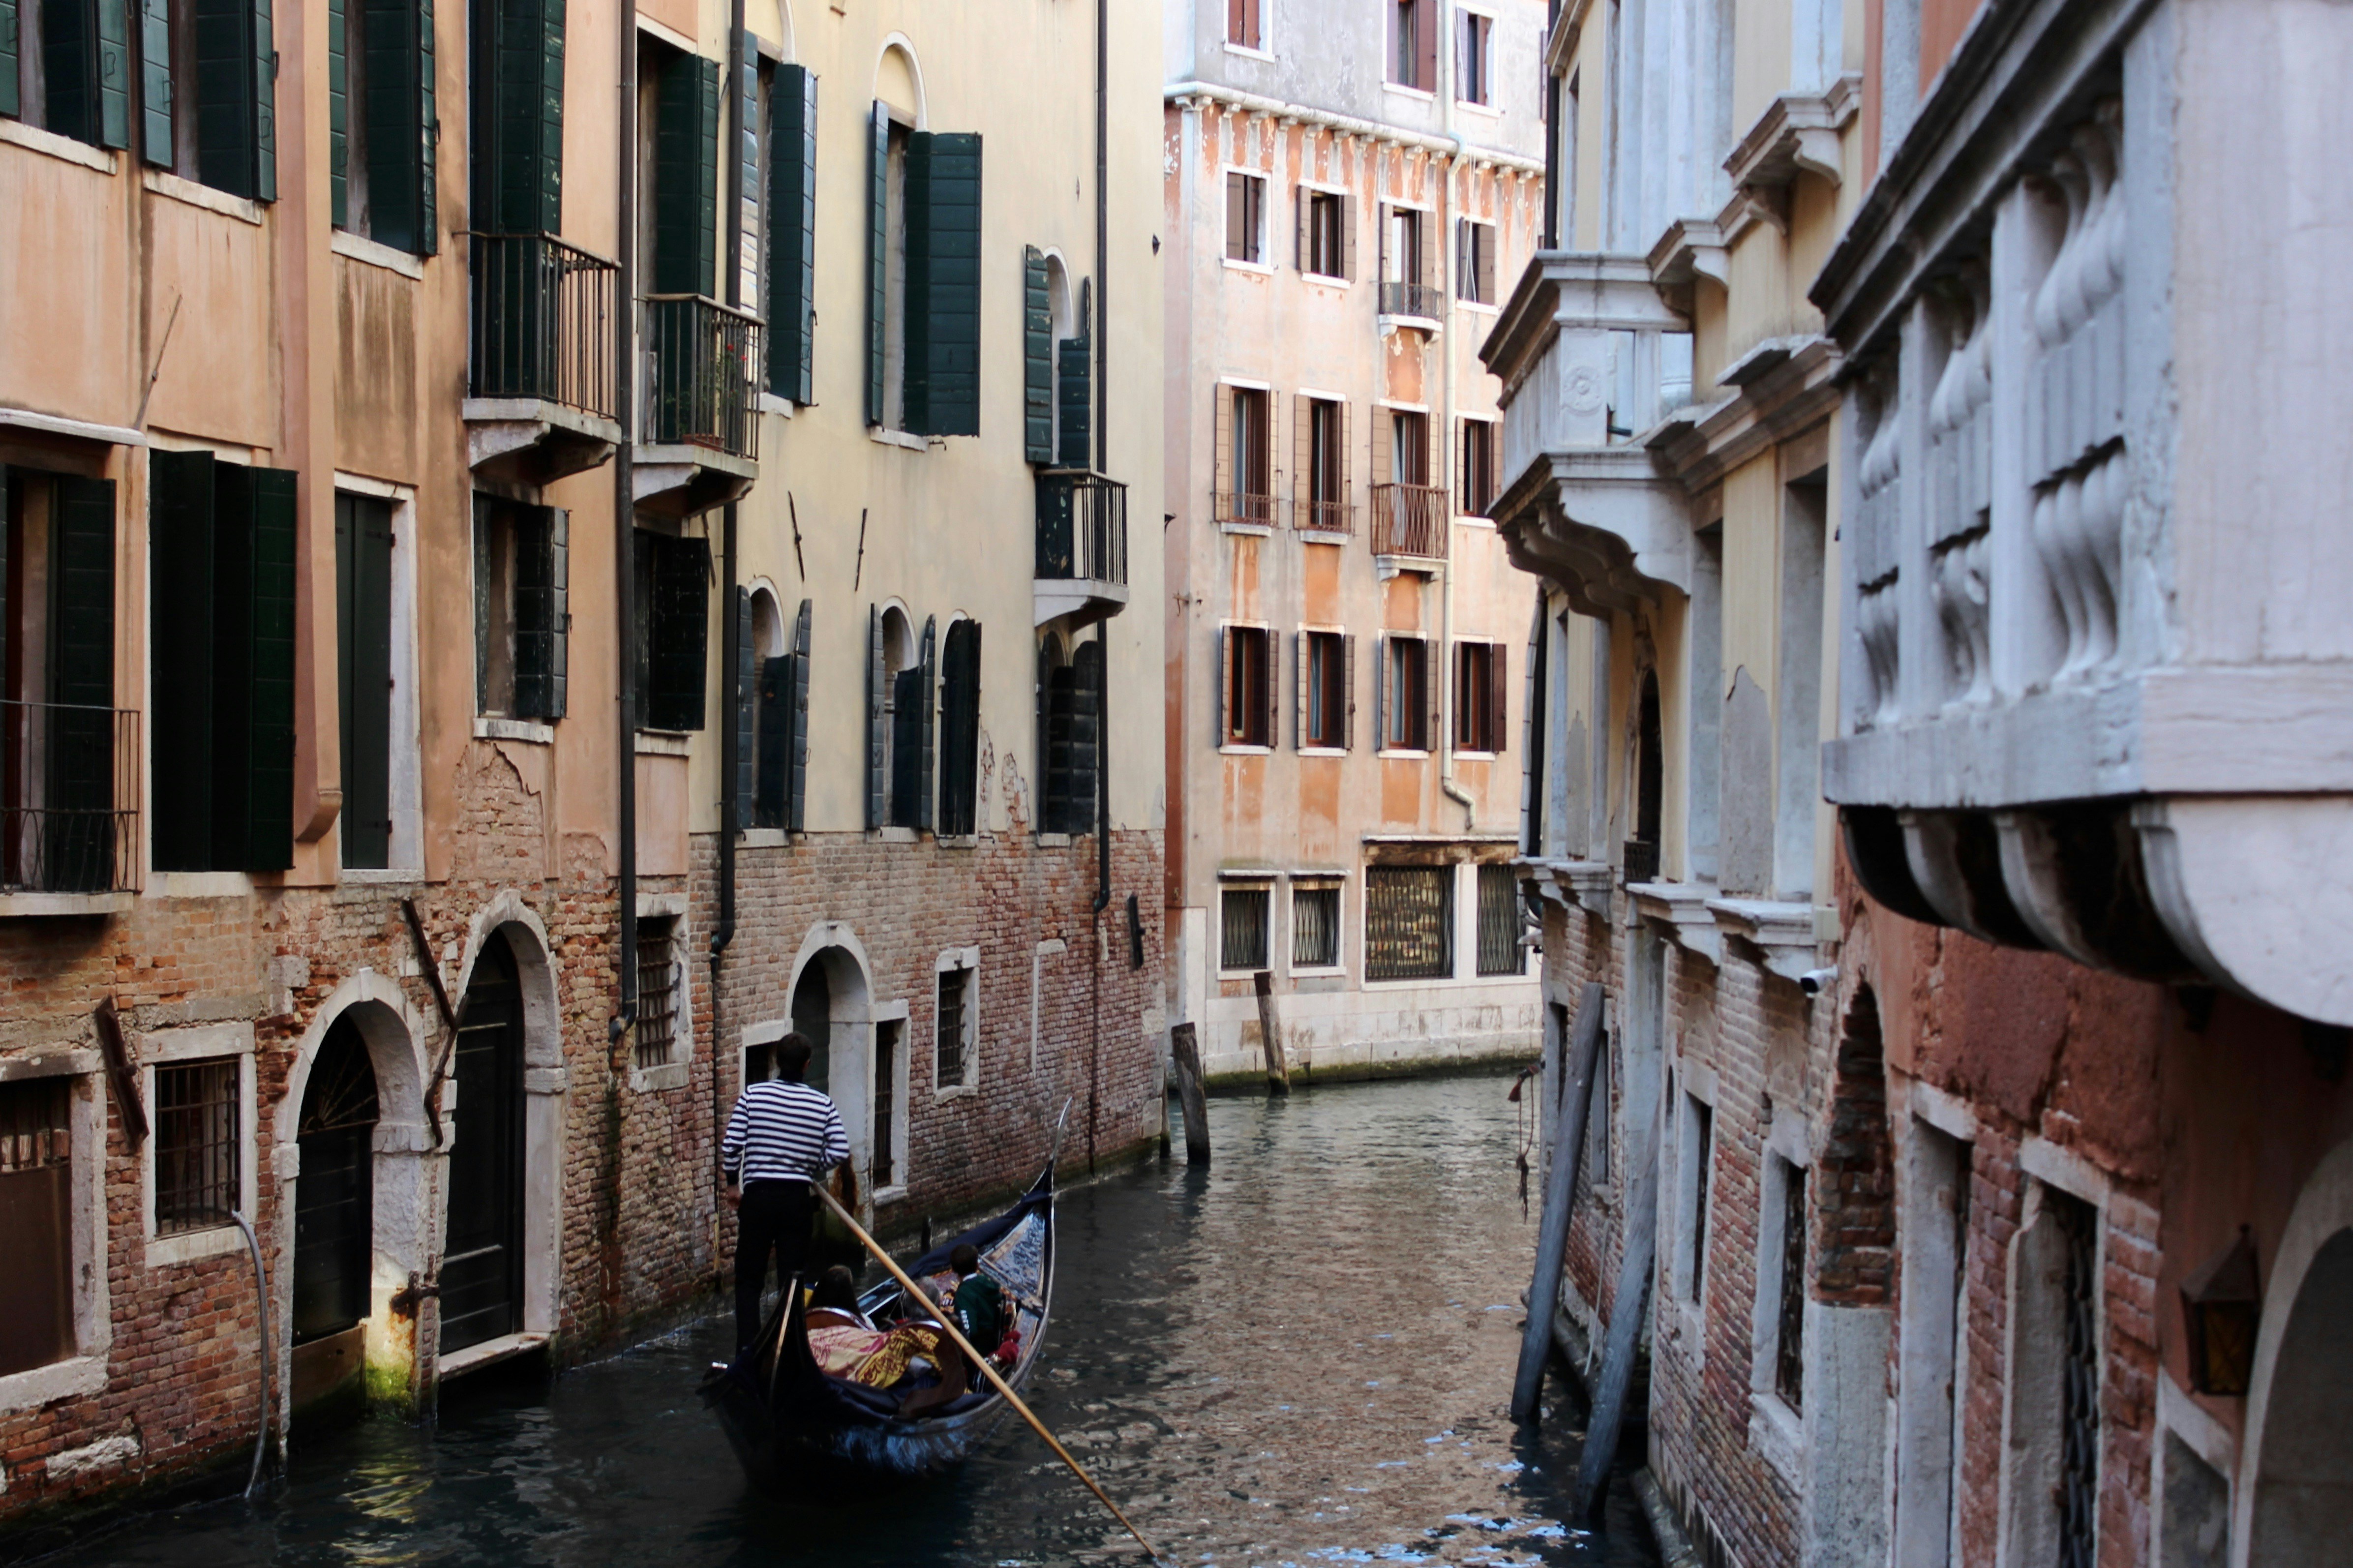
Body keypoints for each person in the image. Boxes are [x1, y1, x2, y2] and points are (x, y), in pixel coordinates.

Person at [721, 1032, 848, 1354]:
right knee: (792, 1281)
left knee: (749, 1279)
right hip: (796, 1200)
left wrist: (733, 1185)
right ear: (808, 1065)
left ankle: (747, 1351)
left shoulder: (753, 1096)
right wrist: (810, 1163)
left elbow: (732, 1144)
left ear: (776, 1060)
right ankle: (788, 1348)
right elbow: (839, 1150)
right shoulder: (822, 1104)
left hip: (759, 1197)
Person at [944, 1242, 1007, 1358]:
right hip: (993, 1341)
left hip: (978, 1351)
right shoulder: (988, 1282)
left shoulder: (963, 1294)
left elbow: (969, 1331)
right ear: (977, 1266)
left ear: (952, 1269)